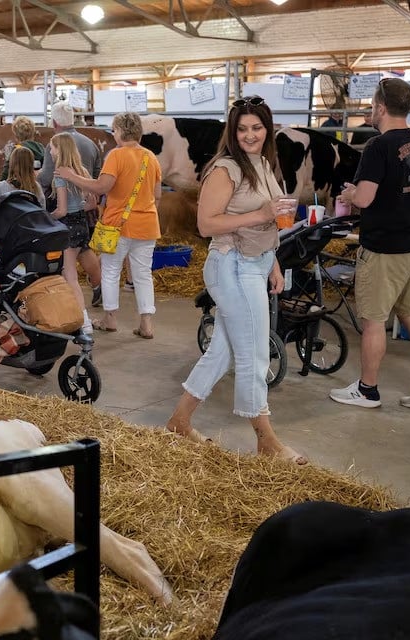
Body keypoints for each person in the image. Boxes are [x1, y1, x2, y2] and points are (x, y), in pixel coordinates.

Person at [162, 96, 306, 465]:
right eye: (242, 128)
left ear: (267, 129)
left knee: (223, 350)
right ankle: (267, 441)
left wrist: (272, 261)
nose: (250, 135)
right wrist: (260, 213)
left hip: (255, 264)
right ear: (233, 131)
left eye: (256, 127)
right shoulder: (227, 169)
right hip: (232, 266)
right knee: (255, 353)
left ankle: (179, 421)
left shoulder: (263, 164)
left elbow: (270, 222)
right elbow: (206, 224)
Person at [330, 78, 410, 410]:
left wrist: (349, 195)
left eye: (372, 106)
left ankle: (367, 390)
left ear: (381, 108)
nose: (372, 112)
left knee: (373, 321)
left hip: (386, 250)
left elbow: (366, 198)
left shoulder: (377, 146)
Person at [56, 111, 161, 339]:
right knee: (143, 274)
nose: (113, 135)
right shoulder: (151, 157)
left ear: (121, 131)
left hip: (118, 225)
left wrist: (71, 176)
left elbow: (101, 187)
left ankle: (110, 319)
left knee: (111, 272)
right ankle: (146, 323)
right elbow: (157, 194)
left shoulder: (116, 155)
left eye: (114, 130)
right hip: (148, 224)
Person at [38, 100, 103, 308]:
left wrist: (34, 181)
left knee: (69, 268)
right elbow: (96, 177)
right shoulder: (90, 143)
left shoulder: (55, 144)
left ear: (55, 122)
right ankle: (98, 284)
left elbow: (47, 178)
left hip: (66, 214)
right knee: (85, 248)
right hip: (83, 212)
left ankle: (76, 313)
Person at [47, 132, 94, 334]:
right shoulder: (81, 171)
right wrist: (79, 208)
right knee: (92, 264)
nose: (50, 151)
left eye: (52, 147)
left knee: (70, 275)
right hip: (82, 225)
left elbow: (62, 210)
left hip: (68, 227)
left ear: (60, 149)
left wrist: (46, 218)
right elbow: (91, 203)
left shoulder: (60, 175)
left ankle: (84, 321)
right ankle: (104, 297)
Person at [0, 116, 44, 181]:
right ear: (33, 132)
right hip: (38, 186)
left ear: (16, 134)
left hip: (21, 187)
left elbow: (6, 174)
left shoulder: (17, 149)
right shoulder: (41, 147)